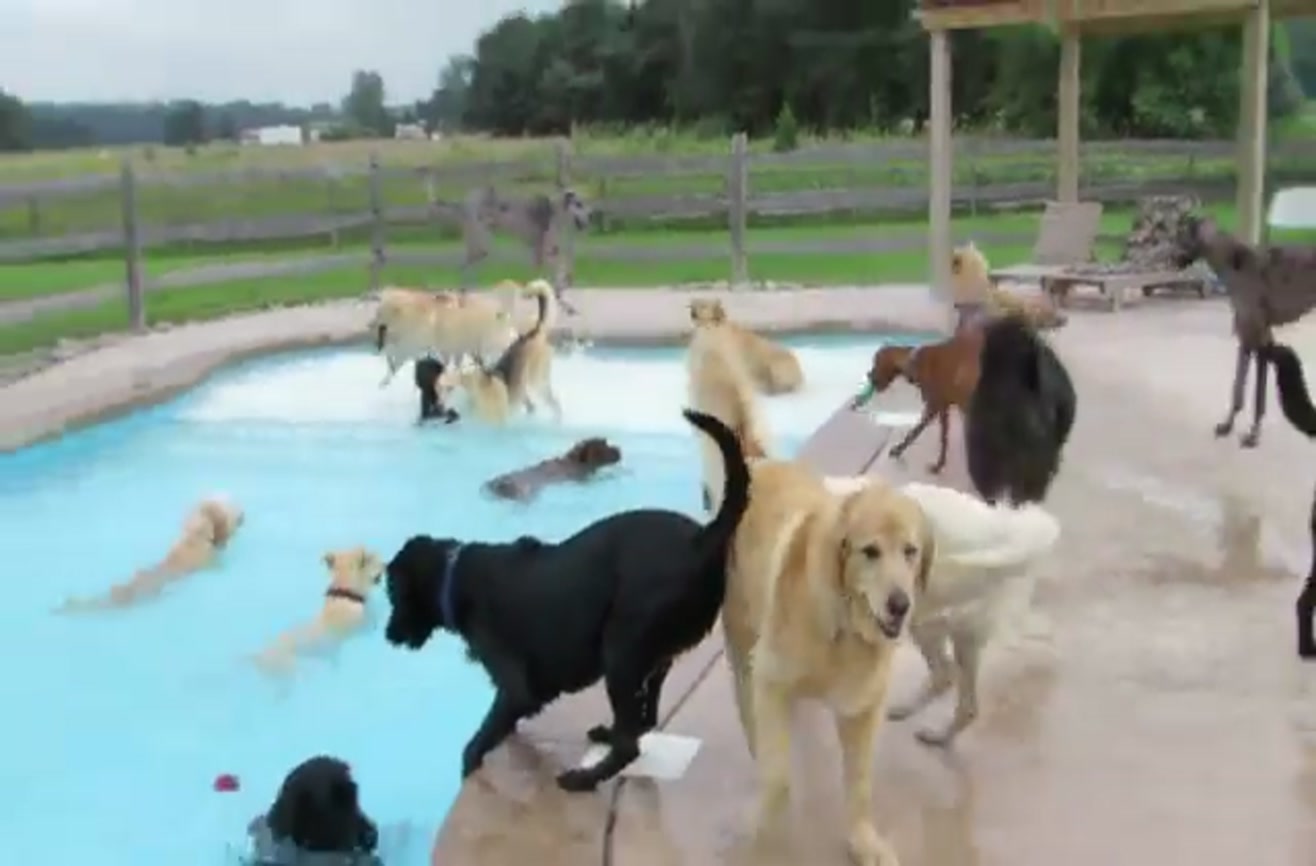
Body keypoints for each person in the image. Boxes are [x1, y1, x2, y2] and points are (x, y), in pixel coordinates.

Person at [414, 357, 459, 424]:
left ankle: (446, 413)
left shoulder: (427, 385)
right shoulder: (428, 385)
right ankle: (446, 413)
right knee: (431, 406)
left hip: (426, 375)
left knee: (429, 409)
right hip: (427, 376)